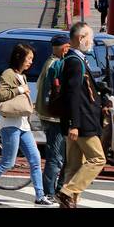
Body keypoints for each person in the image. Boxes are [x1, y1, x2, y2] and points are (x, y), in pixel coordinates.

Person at [0, 43, 53, 205]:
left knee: (35, 159)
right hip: (10, 124)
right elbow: (1, 95)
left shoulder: (21, 75)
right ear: (19, 57)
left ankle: (40, 196)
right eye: (28, 58)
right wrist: (20, 90)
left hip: (23, 125)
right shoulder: (8, 73)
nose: (31, 61)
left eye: (32, 58)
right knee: (7, 162)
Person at [58, 22, 107, 208]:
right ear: (80, 38)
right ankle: (67, 193)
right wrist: (75, 124)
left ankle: (68, 204)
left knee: (74, 166)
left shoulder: (75, 59)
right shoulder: (74, 62)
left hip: (78, 120)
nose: (92, 42)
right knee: (98, 159)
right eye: (90, 38)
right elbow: (73, 94)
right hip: (82, 122)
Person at [35, 34, 71, 198]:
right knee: (55, 157)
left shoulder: (48, 62)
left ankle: (55, 188)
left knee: (59, 155)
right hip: (54, 116)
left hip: (47, 113)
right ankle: (49, 192)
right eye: (68, 47)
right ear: (64, 48)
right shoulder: (57, 64)